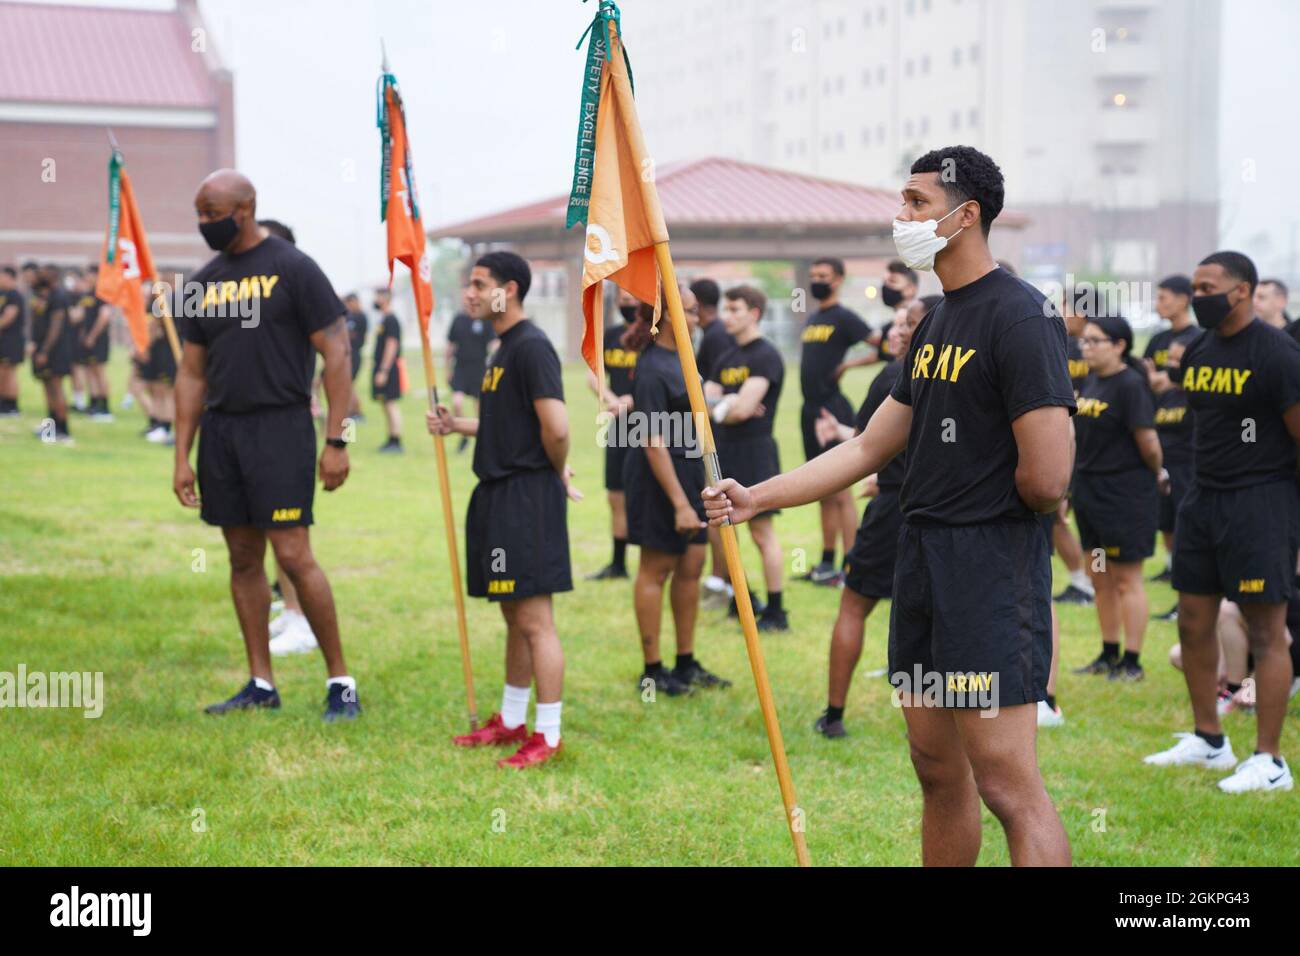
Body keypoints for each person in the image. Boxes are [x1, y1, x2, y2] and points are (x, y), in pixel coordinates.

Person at [704, 146, 1075, 865]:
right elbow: (869, 447)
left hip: (988, 569)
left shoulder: (1021, 316)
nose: (900, 217)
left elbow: (1048, 479)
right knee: (937, 771)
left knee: (1007, 784)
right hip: (922, 558)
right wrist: (757, 497)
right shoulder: (934, 321)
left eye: (915, 203)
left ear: (966, 216)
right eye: (901, 202)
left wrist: (981, 508)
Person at [172, 168, 360, 722]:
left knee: (294, 555)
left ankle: (340, 683)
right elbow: (190, 375)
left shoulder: (293, 269)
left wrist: (337, 440)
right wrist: (181, 454)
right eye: (201, 214)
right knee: (241, 557)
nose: (206, 223)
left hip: (281, 428)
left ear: (245, 208)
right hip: (223, 432)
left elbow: (338, 353)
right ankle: (260, 682)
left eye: (214, 213)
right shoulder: (202, 283)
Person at [1146, 251, 1298, 792]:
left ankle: (1269, 760)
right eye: (1194, 285)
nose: (1197, 294)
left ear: (1241, 292)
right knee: (1191, 620)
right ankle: (1210, 741)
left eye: (1207, 286)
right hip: (1202, 499)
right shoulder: (1200, 350)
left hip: (1260, 503)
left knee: (1265, 630)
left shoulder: (1279, 354)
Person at [426, 251, 576, 768]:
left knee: (535, 620)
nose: (468, 292)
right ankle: (512, 720)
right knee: (513, 614)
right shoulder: (502, 348)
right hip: (497, 493)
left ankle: (548, 734)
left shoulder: (532, 347)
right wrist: (456, 427)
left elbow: (556, 428)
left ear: (507, 289)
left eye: (477, 283)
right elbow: (508, 424)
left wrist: (554, 470)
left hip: (525, 497)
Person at [812, 294, 935, 738]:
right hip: (938, 511)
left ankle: (833, 714)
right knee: (934, 619)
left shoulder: (893, 375)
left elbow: (866, 443)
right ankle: (939, 721)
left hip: (893, 509)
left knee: (855, 604)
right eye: (897, 324)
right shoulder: (960, 375)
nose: (897, 331)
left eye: (910, 324)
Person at [621, 289, 732, 696]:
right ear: (665, 317)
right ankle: (653, 669)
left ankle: (685, 662)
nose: (698, 316)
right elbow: (652, 440)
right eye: (688, 310)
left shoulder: (684, 358)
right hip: (659, 482)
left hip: (690, 475)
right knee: (657, 569)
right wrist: (680, 505)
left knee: (691, 567)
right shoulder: (652, 367)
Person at [1070, 314, 1167, 682]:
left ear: (1120, 346)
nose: (1087, 347)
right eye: (1086, 341)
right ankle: (1108, 652)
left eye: (1096, 341)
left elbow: (1149, 444)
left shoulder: (1130, 385)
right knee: (1100, 576)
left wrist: (1157, 472)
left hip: (1125, 496)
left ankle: (1133, 660)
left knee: (1127, 578)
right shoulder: (1091, 381)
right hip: (1089, 494)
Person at [706, 285, 788, 631]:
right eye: (726, 309)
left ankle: (775, 610)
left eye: (735, 309)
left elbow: (739, 412)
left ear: (754, 313)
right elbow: (704, 404)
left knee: (761, 532)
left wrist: (728, 404)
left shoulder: (765, 355)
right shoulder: (726, 357)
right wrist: (731, 403)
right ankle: (744, 598)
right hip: (725, 451)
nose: (727, 316)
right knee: (726, 530)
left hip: (756, 450)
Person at [799, 256, 872, 586]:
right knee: (821, 489)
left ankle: (850, 566)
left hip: (833, 409)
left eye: (823, 275)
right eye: (813, 275)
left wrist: (850, 365)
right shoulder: (813, 318)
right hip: (809, 410)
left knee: (841, 490)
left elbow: (883, 344)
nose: (817, 280)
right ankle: (826, 563)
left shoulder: (844, 317)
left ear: (838, 279)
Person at [1142, 275, 1200, 595]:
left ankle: (1185, 563)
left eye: (1164, 297)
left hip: (1186, 437)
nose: (1158, 303)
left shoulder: (1199, 339)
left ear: (1183, 299)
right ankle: (1169, 563)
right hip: (1159, 432)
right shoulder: (1158, 339)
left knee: (1183, 505)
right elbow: (1146, 379)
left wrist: (1173, 381)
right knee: (1164, 510)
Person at [587, 288, 639, 581]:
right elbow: (592, 375)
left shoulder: (655, 334)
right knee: (615, 494)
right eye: (622, 298)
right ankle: (618, 564)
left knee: (647, 493)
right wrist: (612, 399)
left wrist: (633, 399)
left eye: (633, 296)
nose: (627, 302)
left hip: (652, 423)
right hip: (618, 424)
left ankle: (655, 556)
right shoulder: (610, 335)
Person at [691, 277, 736, 607]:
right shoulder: (713, 335)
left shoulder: (717, 336)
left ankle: (724, 580)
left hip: (717, 437)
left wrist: (722, 402)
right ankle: (721, 579)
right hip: (710, 430)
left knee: (717, 508)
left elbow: (717, 387)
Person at [1051, 291, 1095, 606]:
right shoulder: (1057, 342)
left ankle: (1092, 582)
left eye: (1065, 306)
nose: (1059, 311)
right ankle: (1083, 581)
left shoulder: (1098, 347)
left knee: (1087, 521)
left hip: (1091, 445)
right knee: (1056, 515)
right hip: (1060, 440)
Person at [446, 286, 497, 454]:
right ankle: (463, 436)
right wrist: (447, 368)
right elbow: (451, 345)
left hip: (479, 369)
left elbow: (494, 344)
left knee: (480, 408)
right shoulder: (458, 319)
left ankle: (485, 439)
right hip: (460, 367)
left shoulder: (485, 319)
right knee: (457, 402)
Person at [28, 265, 74, 444]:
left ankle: (64, 431)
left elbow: (56, 327)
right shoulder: (41, 296)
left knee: (56, 389)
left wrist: (45, 351)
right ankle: (50, 429)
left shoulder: (59, 297)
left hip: (55, 351)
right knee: (47, 388)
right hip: (41, 350)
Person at [72, 267, 113, 421]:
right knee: (89, 371)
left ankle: (105, 406)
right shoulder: (86, 296)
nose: (88, 278)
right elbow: (80, 316)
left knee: (99, 371)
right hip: (86, 340)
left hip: (98, 340)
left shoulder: (103, 294)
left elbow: (104, 317)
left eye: (91, 275)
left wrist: (92, 336)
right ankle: (94, 402)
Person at [371, 287, 405, 453]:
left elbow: (392, 345)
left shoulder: (391, 319)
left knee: (390, 403)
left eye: (378, 295)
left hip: (388, 368)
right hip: (382, 366)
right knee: (385, 403)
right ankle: (390, 438)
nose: (375, 299)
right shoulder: (383, 319)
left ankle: (396, 441)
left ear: (385, 298)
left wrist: (384, 370)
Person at [873, 259, 919, 362]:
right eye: (885, 282)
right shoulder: (888, 328)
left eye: (892, 281)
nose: (886, 286)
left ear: (910, 289)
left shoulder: (923, 324)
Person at [0, 266, 25, 416]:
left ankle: (11, 405)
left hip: (12, 340)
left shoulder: (14, 295)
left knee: (9, 371)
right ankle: (4, 402)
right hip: (4, 340)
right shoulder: (3, 294)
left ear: (9, 277)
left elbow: (9, 316)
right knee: (3, 371)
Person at [342, 292, 367, 421]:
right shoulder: (350, 316)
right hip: (348, 355)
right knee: (348, 385)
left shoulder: (360, 316)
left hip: (354, 354)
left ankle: (356, 412)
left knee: (349, 385)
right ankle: (352, 411)